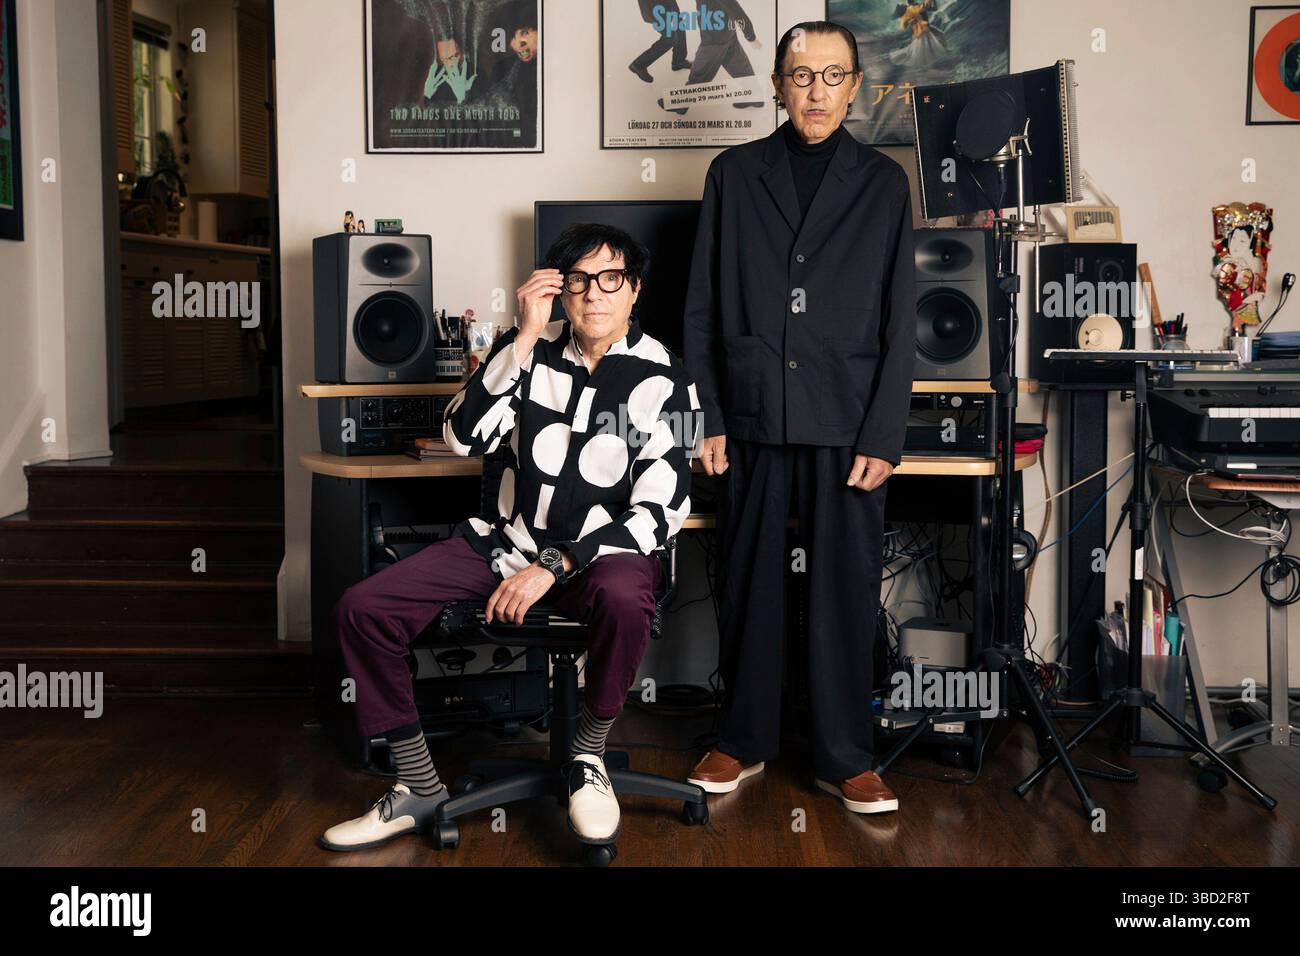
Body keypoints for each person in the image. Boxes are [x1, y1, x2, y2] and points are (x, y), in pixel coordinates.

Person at [322, 223, 699, 850]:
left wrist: (558, 563)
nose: (594, 296)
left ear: (634, 291)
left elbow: (663, 508)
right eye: (578, 281)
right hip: (504, 545)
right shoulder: (526, 350)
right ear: (557, 289)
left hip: (602, 558)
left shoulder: (671, 378)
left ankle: (587, 755)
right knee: (363, 609)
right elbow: (462, 440)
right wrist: (522, 335)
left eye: (611, 280)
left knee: (626, 594)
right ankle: (418, 787)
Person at [682, 20, 916, 814]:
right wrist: (704, 417)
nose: (815, 91)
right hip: (749, 415)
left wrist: (885, 435)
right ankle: (739, 739)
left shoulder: (884, 184)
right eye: (800, 75)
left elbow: (899, 322)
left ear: (855, 86)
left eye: (832, 76)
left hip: (847, 422)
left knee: (845, 592)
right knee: (748, 583)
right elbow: (702, 309)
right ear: (777, 85)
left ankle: (846, 755)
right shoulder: (733, 173)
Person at [629, 0, 692, 83]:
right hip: (656, 6)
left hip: (666, 5)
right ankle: (639, 64)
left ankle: (679, 61)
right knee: (670, 37)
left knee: (679, 26)